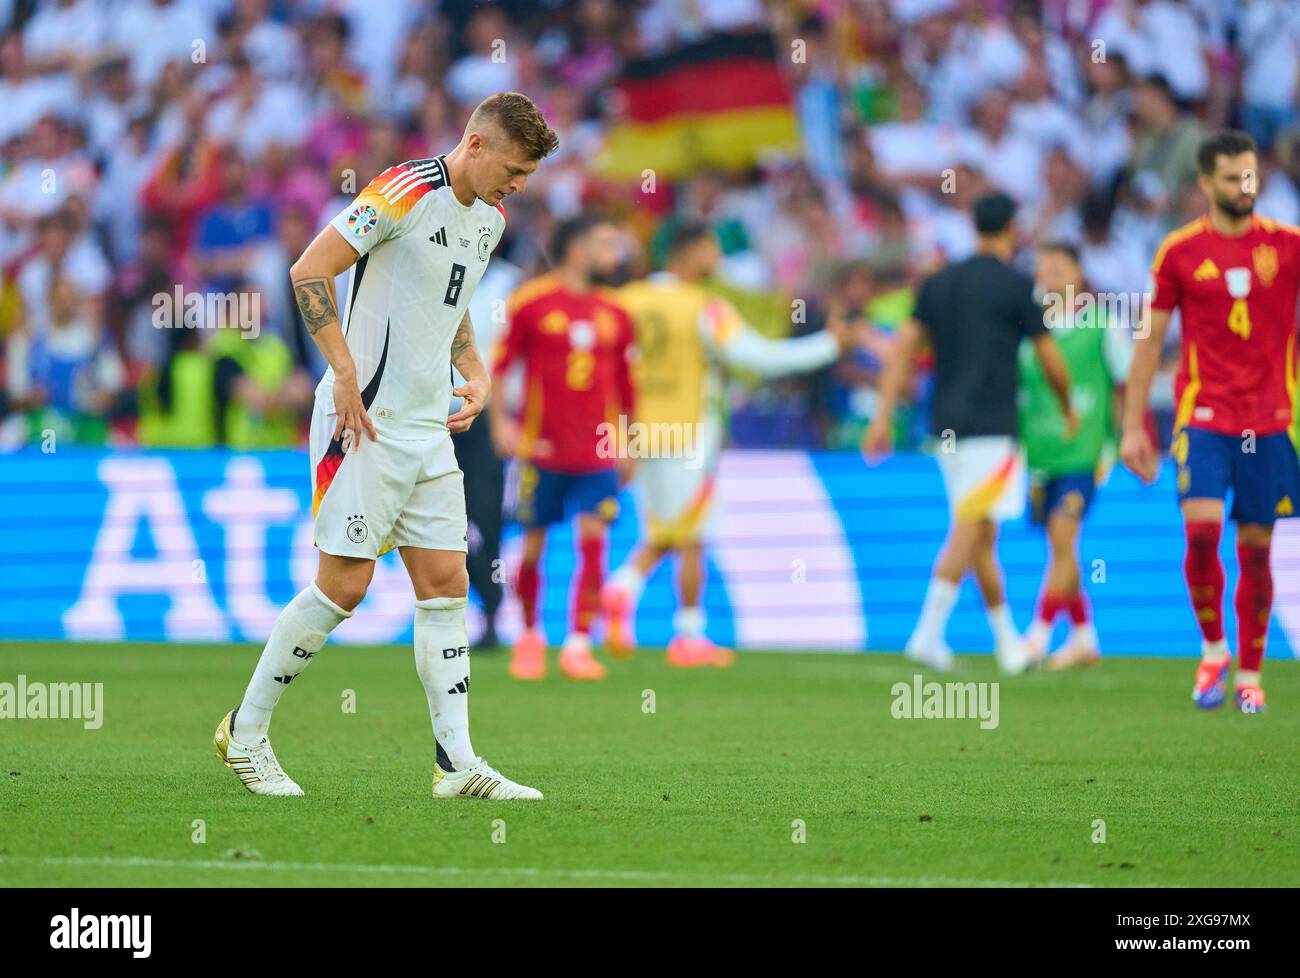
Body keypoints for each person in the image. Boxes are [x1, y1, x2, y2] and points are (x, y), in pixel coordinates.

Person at [213, 92, 559, 799]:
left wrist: (474, 367)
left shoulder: (490, 219)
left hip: (431, 429)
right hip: (364, 422)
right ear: (476, 144)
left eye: (526, 176)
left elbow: (451, 304)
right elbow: (310, 270)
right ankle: (244, 734)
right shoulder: (402, 189)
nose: (518, 186)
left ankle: (456, 764)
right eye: (515, 169)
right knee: (345, 586)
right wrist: (342, 373)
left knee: (446, 585)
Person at [601, 222, 851, 666]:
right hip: (688, 435)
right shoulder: (703, 306)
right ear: (689, 250)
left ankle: (623, 588)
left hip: (637, 432)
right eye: (712, 248)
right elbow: (758, 357)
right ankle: (689, 634)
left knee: (664, 530)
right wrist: (828, 346)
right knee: (693, 534)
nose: (717, 258)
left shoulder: (624, 302)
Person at [1120, 130, 1300, 713]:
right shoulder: (1179, 252)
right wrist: (1131, 426)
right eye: (1231, 178)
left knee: (1254, 546)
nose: (1245, 187)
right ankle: (1212, 648)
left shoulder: (1288, 246)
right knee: (1201, 533)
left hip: (1272, 420)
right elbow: (1149, 341)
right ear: (1205, 183)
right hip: (1204, 417)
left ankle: (1250, 674)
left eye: (1251, 176)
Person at [864, 193, 1075, 674]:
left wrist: (882, 415)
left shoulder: (937, 284)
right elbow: (1049, 357)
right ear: (1011, 230)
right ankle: (927, 632)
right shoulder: (1016, 286)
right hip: (993, 426)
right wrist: (1067, 406)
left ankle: (1006, 644)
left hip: (945, 427)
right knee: (971, 524)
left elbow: (902, 350)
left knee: (981, 535)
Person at [488, 215, 634, 681]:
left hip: (597, 452)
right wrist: (501, 424)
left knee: (594, 544)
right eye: (606, 241)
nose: (616, 252)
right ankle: (530, 637)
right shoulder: (531, 304)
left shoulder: (616, 313)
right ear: (577, 248)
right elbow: (500, 366)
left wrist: (629, 440)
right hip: (541, 448)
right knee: (532, 548)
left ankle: (577, 643)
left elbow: (627, 386)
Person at [1020, 242, 1131, 669]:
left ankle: (1039, 634)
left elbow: (1124, 380)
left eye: (1057, 267)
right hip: (1040, 453)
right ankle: (1085, 636)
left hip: (1086, 452)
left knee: (1063, 536)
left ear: (1078, 274)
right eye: (1042, 268)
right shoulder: (1028, 332)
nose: (1048, 276)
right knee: (1061, 546)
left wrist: (1124, 435)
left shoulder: (1103, 324)